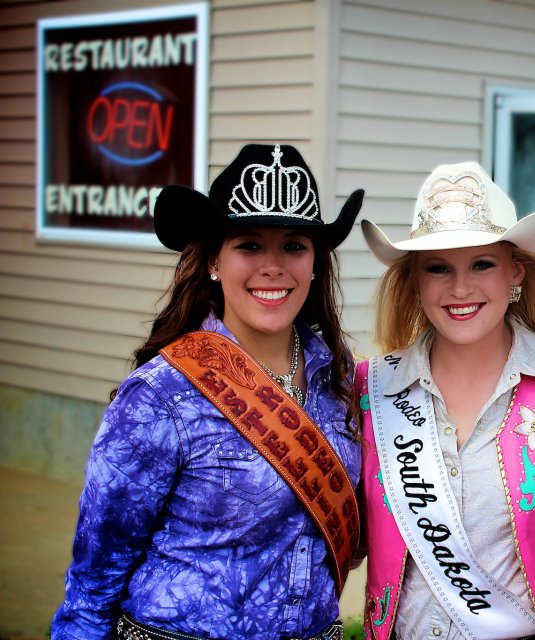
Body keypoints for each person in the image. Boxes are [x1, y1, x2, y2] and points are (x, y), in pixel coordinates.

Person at [51, 144, 364, 640]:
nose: (273, 266)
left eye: (294, 245)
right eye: (249, 244)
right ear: (214, 261)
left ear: (315, 262)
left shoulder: (340, 376)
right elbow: (93, 583)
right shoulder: (161, 395)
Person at [356, 162, 535, 640]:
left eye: (482, 264)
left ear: (516, 274)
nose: (460, 289)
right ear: (415, 282)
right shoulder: (369, 388)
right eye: (438, 268)